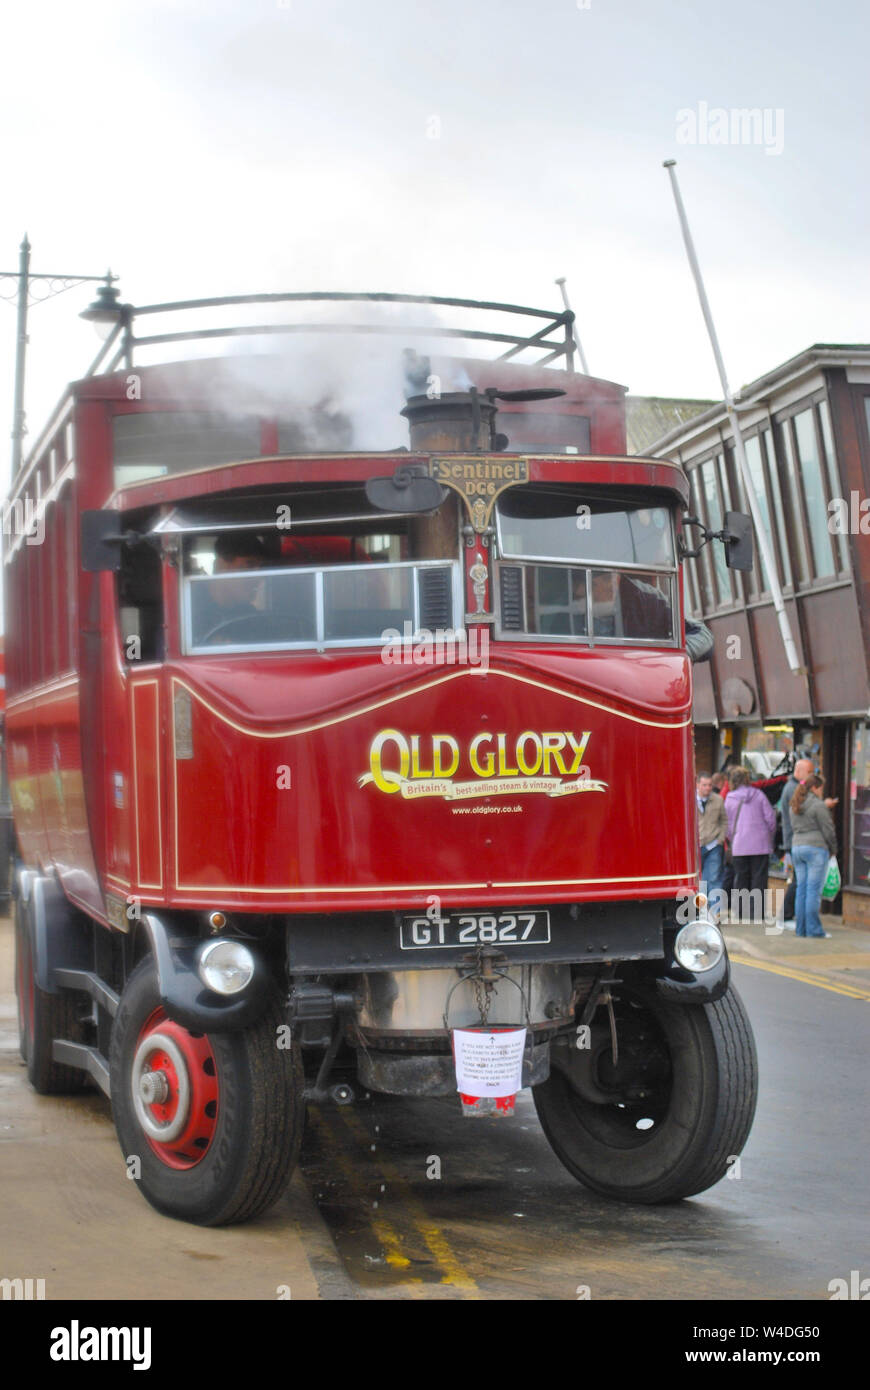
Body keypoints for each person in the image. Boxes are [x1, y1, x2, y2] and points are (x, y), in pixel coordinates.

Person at [191, 532, 268, 644]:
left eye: (260, 568)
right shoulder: (188, 610)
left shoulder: (250, 615)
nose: (259, 577)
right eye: (249, 565)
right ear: (221, 566)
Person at [725, 767, 776, 922]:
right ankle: (757, 913)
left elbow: (726, 824)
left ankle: (742, 912)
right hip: (760, 845)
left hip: (740, 845)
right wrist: (769, 836)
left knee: (741, 878)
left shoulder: (730, 798)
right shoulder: (759, 795)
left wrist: (732, 837)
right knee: (759, 879)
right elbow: (771, 819)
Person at [790, 774, 837, 939]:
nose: (822, 791)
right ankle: (814, 930)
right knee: (812, 891)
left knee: (801, 889)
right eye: (821, 787)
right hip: (816, 849)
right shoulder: (818, 805)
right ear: (814, 788)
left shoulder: (795, 803)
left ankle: (801, 929)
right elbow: (828, 829)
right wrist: (834, 848)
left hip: (797, 847)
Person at [697, 772, 727, 919]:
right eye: (704, 785)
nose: (707, 788)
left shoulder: (718, 800)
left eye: (710, 785)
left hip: (713, 845)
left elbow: (724, 821)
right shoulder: (689, 799)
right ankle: (701, 913)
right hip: (695, 846)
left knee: (714, 879)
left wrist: (720, 839)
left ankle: (715, 913)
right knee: (698, 882)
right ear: (697, 785)